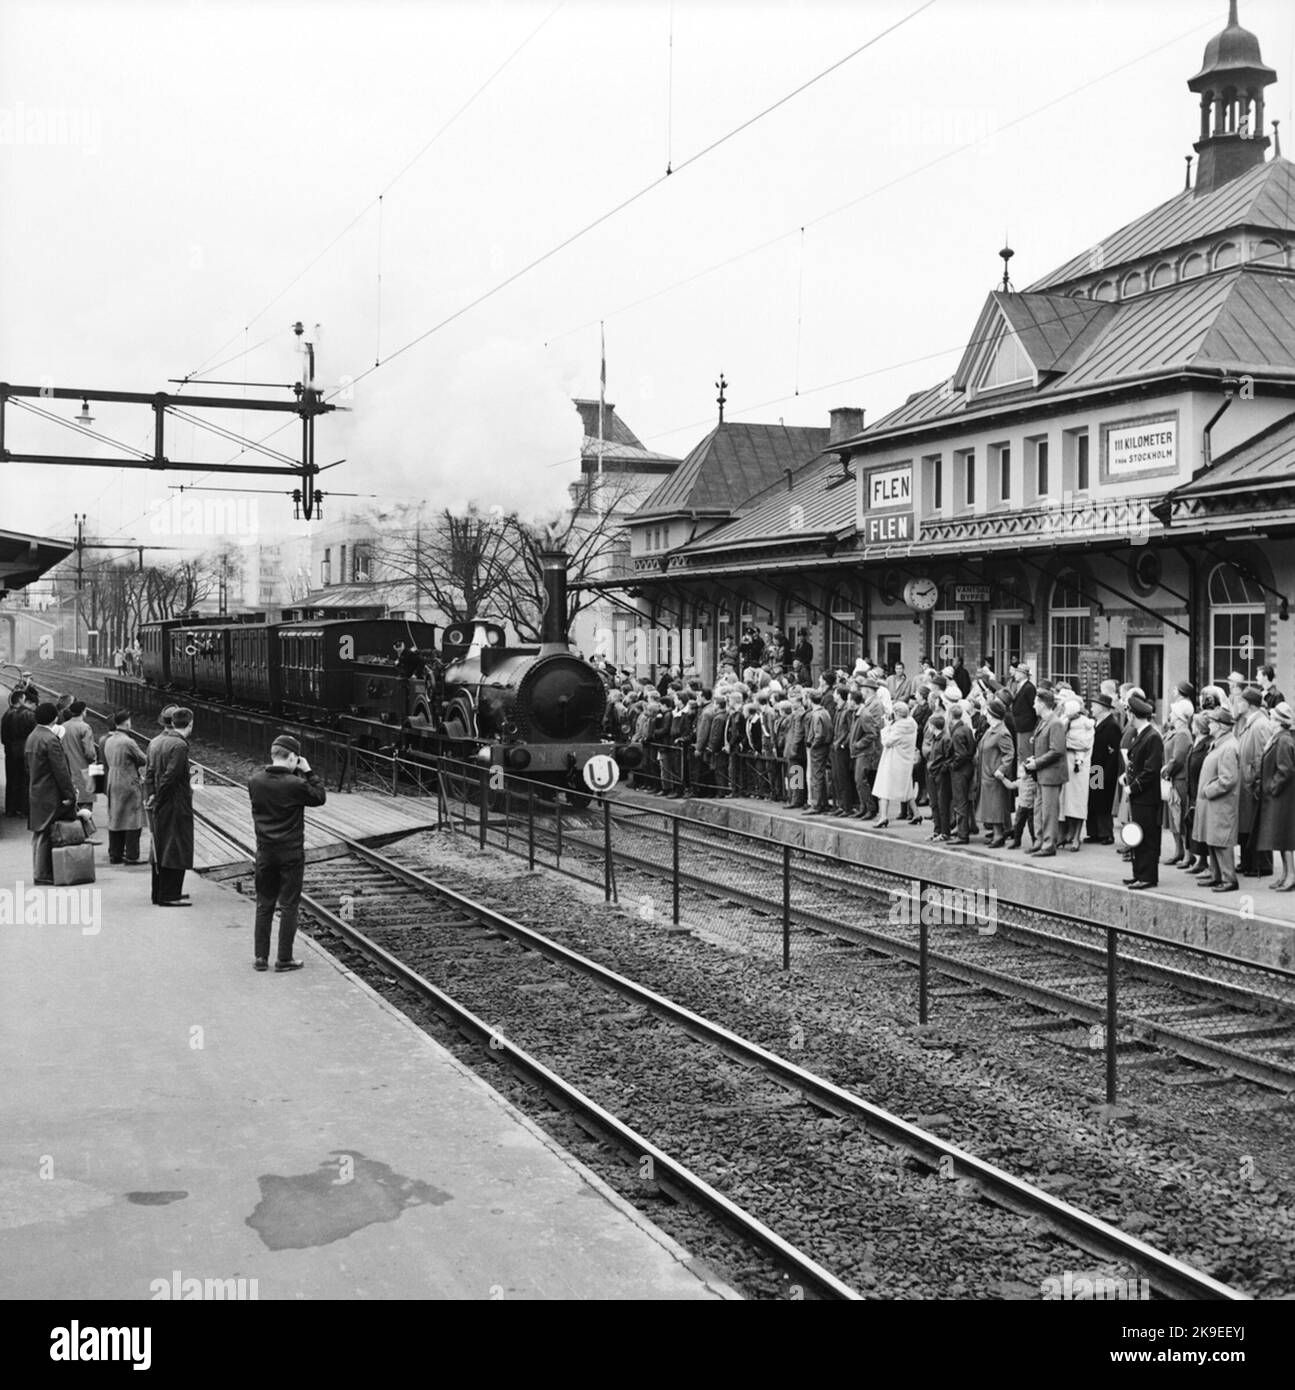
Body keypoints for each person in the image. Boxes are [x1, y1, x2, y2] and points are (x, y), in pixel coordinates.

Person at [248, 734, 327, 971]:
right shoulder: (295, 784)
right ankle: (284, 959)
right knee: (289, 905)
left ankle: (261, 958)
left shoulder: (255, 781)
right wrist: (308, 771)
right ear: (293, 757)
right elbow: (320, 797)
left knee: (264, 904)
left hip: (265, 852)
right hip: (290, 853)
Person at [146, 707, 195, 907]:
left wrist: (150, 795)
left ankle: (159, 892)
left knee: (160, 845)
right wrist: (158, 798)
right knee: (175, 847)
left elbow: (149, 772)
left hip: (160, 801)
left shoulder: (156, 742)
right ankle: (169, 895)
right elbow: (172, 776)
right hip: (175, 802)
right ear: (190, 724)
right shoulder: (179, 746)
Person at [25, 702, 76, 884]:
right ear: (54, 718)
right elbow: (61, 770)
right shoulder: (50, 740)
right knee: (47, 833)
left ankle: (40, 871)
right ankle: (43, 873)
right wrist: (70, 794)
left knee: (39, 833)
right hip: (49, 792)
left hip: (36, 789)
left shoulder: (32, 737)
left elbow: (27, 768)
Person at [1195, 707, 1240, 892]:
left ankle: (1229, 879)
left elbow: (1228, 779)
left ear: (1221, 726)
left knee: (1221, 842)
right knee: (1213, 840)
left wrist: (1209, 790)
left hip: (1220, 803)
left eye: (1212, 722)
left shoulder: (1228, 746)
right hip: (1214, 803)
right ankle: (1216, 875)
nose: (1209, 725)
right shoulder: (1220, 743)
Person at [1123, 695, 1164, 890]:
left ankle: (1148, 876)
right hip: (1138, 796)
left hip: (1146, 797)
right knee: (1136, 834)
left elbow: (1151, 770)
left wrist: (1133, 786)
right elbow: (1135, 764)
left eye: (1128, 712)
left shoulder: (1152, 736)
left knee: (1146, 836)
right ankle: (1138, 872)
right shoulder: (1140, 734)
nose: (1127, 716)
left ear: (1133, 714)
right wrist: (1126, 778)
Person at [1255, 702, 1295, 891]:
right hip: (1279, 797)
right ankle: (1285, 875)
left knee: (1285, 837)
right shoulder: (1279, 738)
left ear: (1279, 721)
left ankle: (1291, 875)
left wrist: (1271, 787)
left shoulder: (1284, 740)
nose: (1269, 721)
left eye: (1272, 718)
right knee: (1280, 837)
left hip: (1282, 798)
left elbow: (1286, 770)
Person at [1235, 688, 1275, 879]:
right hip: (1247, 782)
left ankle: (1260, 865)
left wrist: (1258, 781)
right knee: (1247, 825)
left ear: (1249, 704)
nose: (1237, 703)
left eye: (1241, 700)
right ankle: (1248, 862)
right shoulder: (1250, 723)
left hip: (1253, 784)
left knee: (1255, 824)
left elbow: (1262, 756)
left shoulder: (1260, 725)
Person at [1025, 690, 1067, 857]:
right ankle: (1040, 841)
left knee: (1049, 811)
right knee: (1039, 810)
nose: (1034, 706)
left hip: (1051, 774)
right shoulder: (1044, 721)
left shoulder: (1055, 723)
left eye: (1036, 703)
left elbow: (1057, 750)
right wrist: (1033, 758)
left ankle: (1049, 845)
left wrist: (1037, 762)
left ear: (1042, 704)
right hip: (1043, 774)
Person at [102, 710, 147, 865]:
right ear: (127, 723)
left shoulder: (109, 740)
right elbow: (143, 759)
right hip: (128, 782)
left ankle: (115, 854)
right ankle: (132, 855)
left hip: (112, 780)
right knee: (132, 818)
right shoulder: (128, 742)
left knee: (116, 817)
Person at [871, 700, 918, 829]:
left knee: (884, 789)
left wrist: (886, 727)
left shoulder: (898, 728)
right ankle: (917, 814)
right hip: (906, 760)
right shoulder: (912, 724)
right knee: (907, 788)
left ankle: (883, 817)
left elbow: (887, 742)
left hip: (893, 761)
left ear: (897, 713)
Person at [976, 699, 1015, 847]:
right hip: (986, 773)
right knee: (991, 806)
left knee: (996, 807)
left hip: (994, 775)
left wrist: (1001, 770)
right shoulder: (991, 729)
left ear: (992, 714)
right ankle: (996, 833)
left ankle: (999, 836)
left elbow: (1009, 754)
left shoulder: (1002, 732)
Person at [1161, 699, 1194, 868]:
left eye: (1173, 712)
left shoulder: (1183, 734)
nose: (1171, 715)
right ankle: (1178, 851)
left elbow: (1179, 758)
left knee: (1180, 817)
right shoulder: (1177, 732)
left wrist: (1166, 770)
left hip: (1179, 779)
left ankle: (1187, 854)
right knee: (1174, 818)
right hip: (1173, 779)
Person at [1058, 698, 1093, 851]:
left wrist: (1067, 742)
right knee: (1064, 801)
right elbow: (1057, 738)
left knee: (1078, 802)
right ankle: (1066, 834)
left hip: (1080, 767)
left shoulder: (1087, 723)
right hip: (1065, 764)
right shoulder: (1064, 721)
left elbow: (1085, 744)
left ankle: (1076, 836)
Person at [1181, 712, 1213, 876]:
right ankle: (1199, 859)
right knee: (1192, 824)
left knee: (1200, 826)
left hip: (1200, 789)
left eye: (1194, 724)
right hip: (1192, 789)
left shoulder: (1206, 744)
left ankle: (1204, 861)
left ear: (1199, 728)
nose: (1191, 726)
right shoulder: (1196, 743)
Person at [1085, 692, 1120, 844]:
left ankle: (1106, 833)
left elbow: (1114, 752)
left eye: (1094, 705)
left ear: (1102, 707)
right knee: (1093, 799)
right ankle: (1094, 832)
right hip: (1094, 767)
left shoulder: (1111, 725)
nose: (1092, 708)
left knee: (1102, 801)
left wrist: (1108, 773)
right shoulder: (1096, 723)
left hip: (1102, 768)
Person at [2, 689, 36, 817]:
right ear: (21, 700)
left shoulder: (7, 714)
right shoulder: (27, 715)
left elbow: (4, 737)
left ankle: (10, 808)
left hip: (10, 751)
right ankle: (23, 809)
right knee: (24, 780)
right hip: (23, 752)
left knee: (12, 780)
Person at [945, 701, 975, 843]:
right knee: (965, 800)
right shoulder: (966, 729)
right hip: (968, 767)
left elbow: (960, 755)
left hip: (960, 770)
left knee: (960, 802)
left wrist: (952, 765)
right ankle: (965, 828)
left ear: (951, 716)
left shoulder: (956, 733)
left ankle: (962, 834)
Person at [802, 690, 833, 816]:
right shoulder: (825, 712)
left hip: (817, 748)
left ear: (809, 700)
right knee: (820, 775)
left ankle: (816, 803)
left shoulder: (815, 715)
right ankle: (823, 802)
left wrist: (813, 745)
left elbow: (818, 734)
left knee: (816, 776)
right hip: (825, 747)